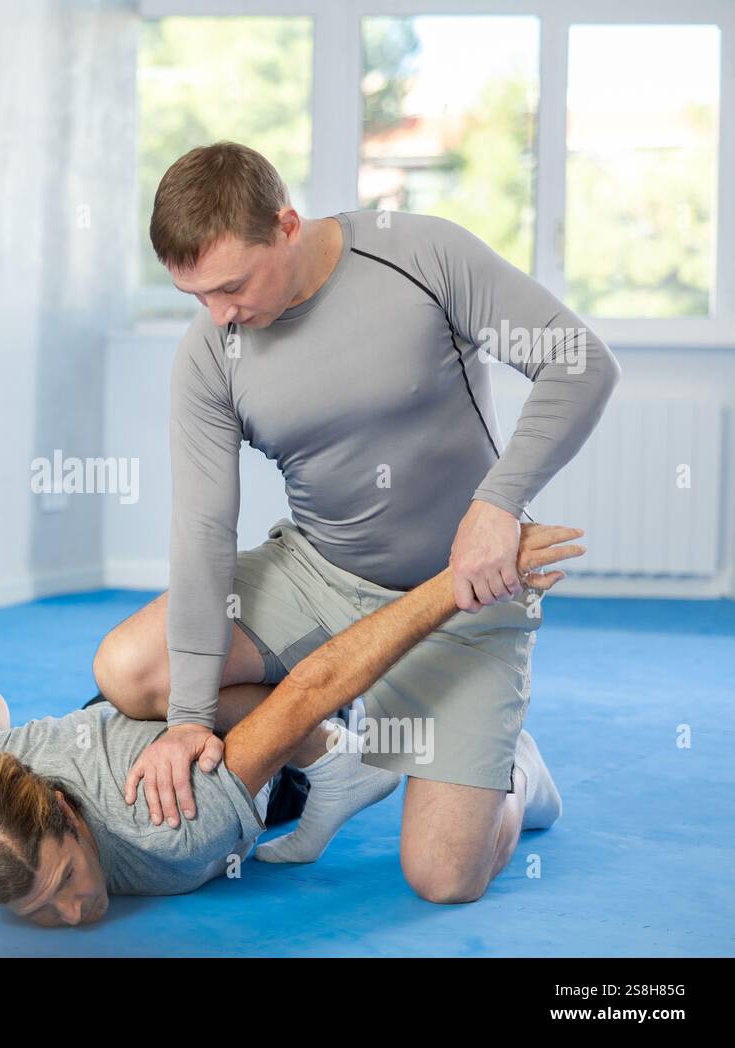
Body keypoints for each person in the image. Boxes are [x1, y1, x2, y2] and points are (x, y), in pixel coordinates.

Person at [91, 142, 621, 903]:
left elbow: (581, 361)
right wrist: (187, 720)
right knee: (130, 668)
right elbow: (204, 534)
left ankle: (517, 773)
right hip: (320, 578)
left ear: (286, 226)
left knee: (443, 879)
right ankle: (335, 758)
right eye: (198, 297)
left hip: (464, 590)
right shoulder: (212, 352)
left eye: (232, 285)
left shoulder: (419, 252)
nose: (221, 315)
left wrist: (497, 504)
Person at [0, 524, 584, 926]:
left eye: (66, 880)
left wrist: (458, 584)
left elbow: (306, 693)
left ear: (71, 817)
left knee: (447, 874)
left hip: (279, 723)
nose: (74, 912)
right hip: (145, 725)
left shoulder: (171, 829)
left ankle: (496, 768)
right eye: (38, 910)